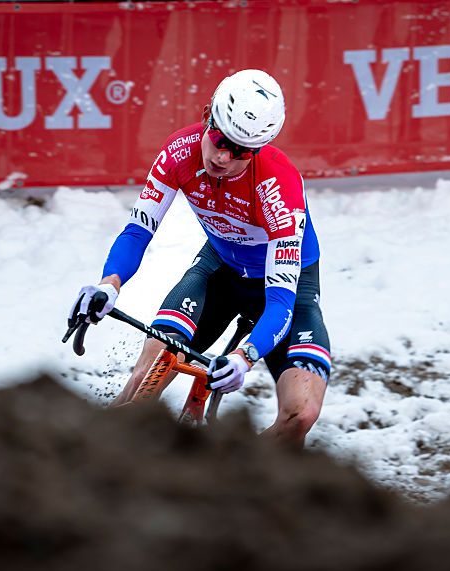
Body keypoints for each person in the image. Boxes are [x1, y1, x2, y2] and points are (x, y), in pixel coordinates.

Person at [69, 69, 330, 445]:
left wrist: (246, 355)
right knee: (144, 382)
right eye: (220, 140)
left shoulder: (279, 188)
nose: (223, 158)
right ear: (207, 114)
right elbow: (138, 231)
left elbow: (281, 299)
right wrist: (109, 284)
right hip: (219, 269)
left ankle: (231, 481)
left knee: (300, 414)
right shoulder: (179, 152)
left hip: (288, 286)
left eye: (241, 152)